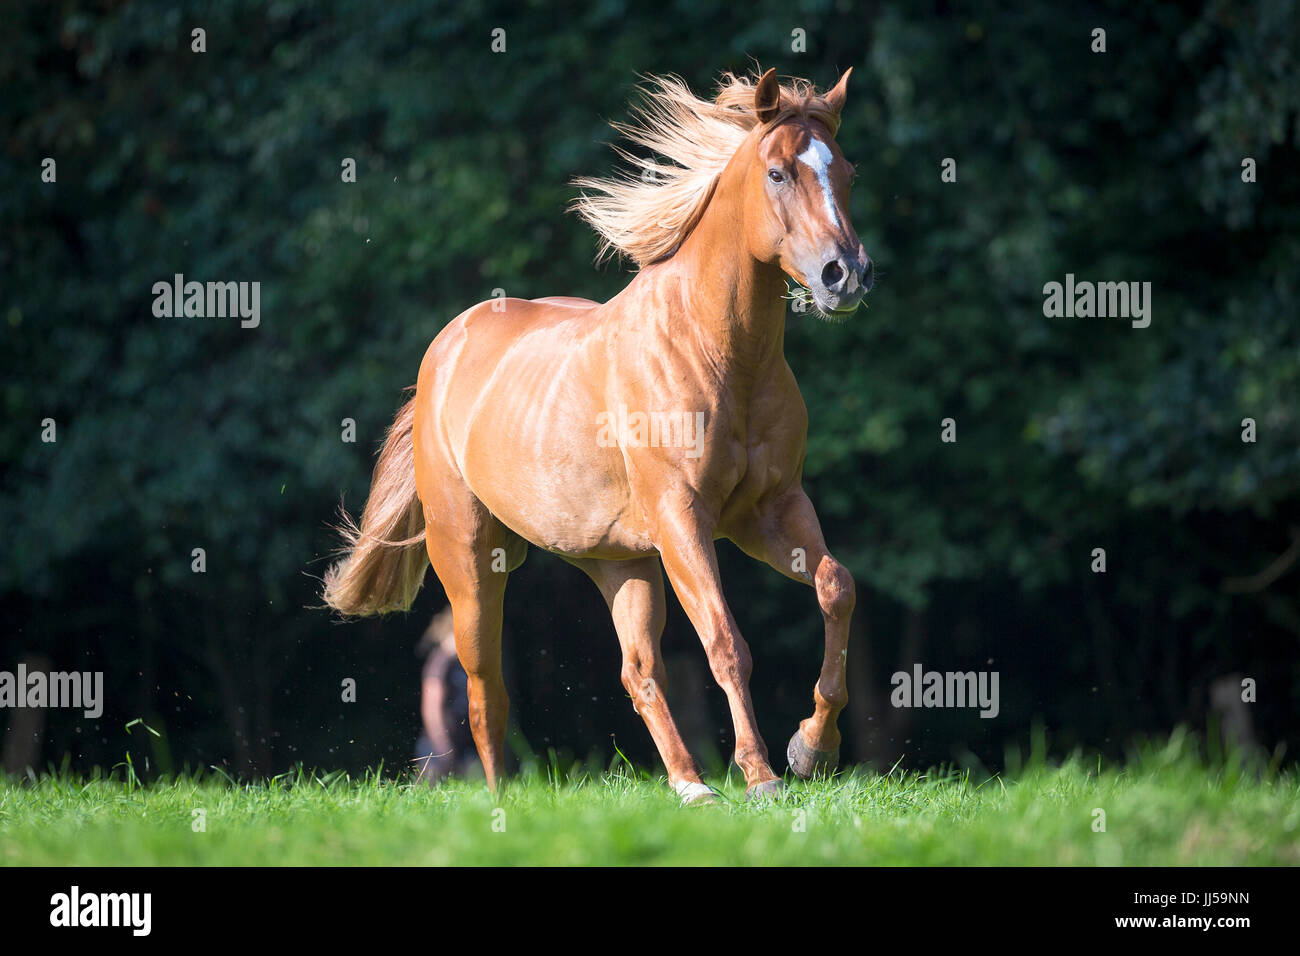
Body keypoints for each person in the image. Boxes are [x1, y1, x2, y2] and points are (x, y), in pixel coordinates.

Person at [413, 607, 478, 783]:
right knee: (431, 791)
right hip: (436, 746)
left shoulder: (462, 663)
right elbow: (431, 709)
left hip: (463, 743)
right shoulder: (440, 661)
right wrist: (442, 745)